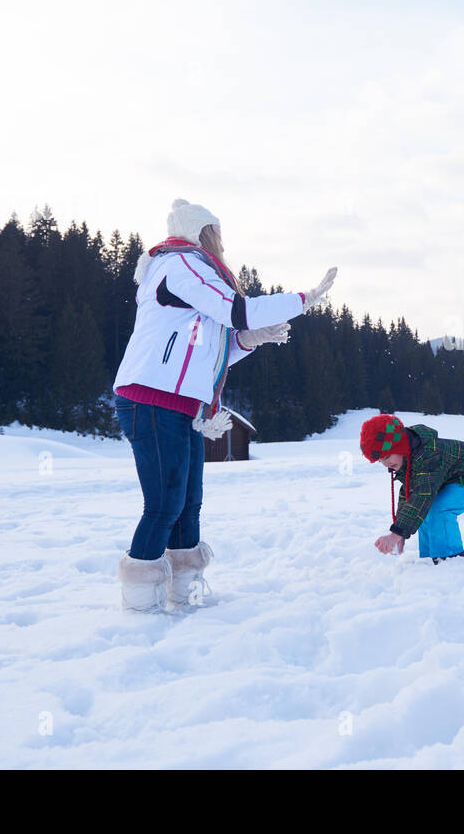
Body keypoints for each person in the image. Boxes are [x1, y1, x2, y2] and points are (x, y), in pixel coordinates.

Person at [112, 198, 337, 611]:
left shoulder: (198, 273)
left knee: (188, 503)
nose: (221, 241)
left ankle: (186, 593)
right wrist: (303, 299)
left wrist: (250, 340)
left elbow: (214, 349)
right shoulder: (179, 264)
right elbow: (238, 311)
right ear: (201, 232)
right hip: (150, 399)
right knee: (164, 503)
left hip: (181, 407)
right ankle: (141, 603)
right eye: (216, 232)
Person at [359, 414, 464, 563]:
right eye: (380, 460)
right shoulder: (407, 458)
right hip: (448, 479)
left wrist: (396, 533)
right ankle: (430, 557)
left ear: (400, 446)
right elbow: (409, 496)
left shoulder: (428, 455)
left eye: (388, 456)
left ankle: (450, 557)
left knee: (438, 508)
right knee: (424, 510)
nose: (386, 463)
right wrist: (400, 531)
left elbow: (423, 495)